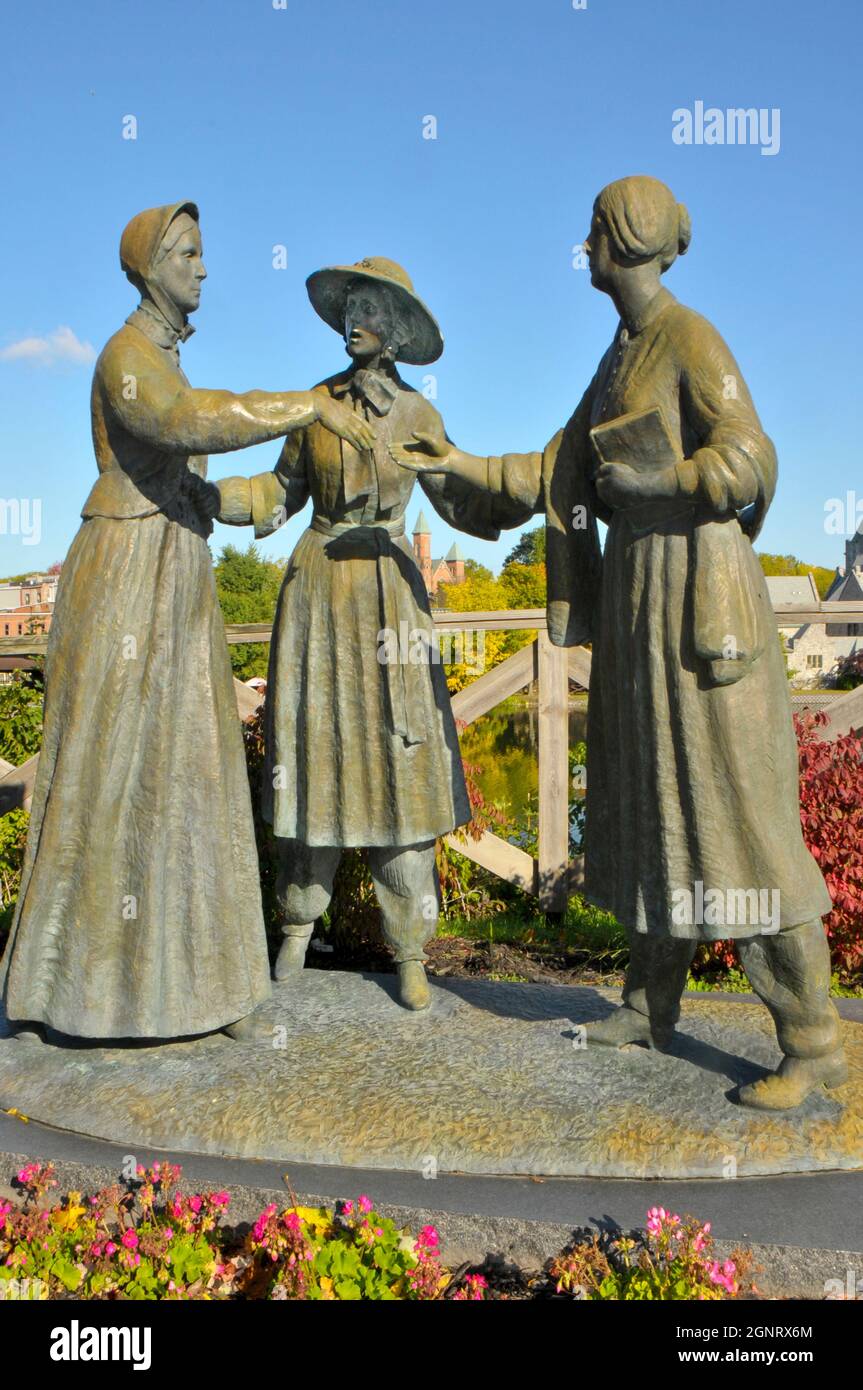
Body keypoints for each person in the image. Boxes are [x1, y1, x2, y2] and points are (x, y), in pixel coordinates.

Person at [390, 176, 846, 1110]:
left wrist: (664, 480)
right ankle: (649, 1004)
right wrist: (459, 466)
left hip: (699, 609)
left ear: (622, 238)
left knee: (732, 816)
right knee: (651, 807)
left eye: (592, 231)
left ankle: (810, 1039)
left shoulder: (687, 337)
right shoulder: (619, 355)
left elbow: (751, 455)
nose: (582, 245)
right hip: (643, 607)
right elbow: (555, 467)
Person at [0, 201, 372, 1043]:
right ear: (148, 265)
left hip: (176, 570)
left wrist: (271, 498)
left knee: (190, 775)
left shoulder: (162, 358)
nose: (203, 268)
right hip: (128, 574)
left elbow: (201, 482)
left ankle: (207, 986)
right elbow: (184, 421)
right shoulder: (128, 358)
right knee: (118, 773)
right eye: (188, 254)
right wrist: (307, 406)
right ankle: (88, 995)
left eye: (202, 254)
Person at [216, 257, 529, 1010]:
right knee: (313, 759)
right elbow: (279, 492)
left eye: (371, 310)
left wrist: (532, 490)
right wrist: (206, 493)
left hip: (391, 594)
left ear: (396, 330)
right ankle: (293, 930)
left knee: (403, 766)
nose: (356, 319)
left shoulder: (418, 414)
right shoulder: (314, 405)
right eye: (350, 306)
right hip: (320, 592)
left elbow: (459, 498)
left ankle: (410, 950)